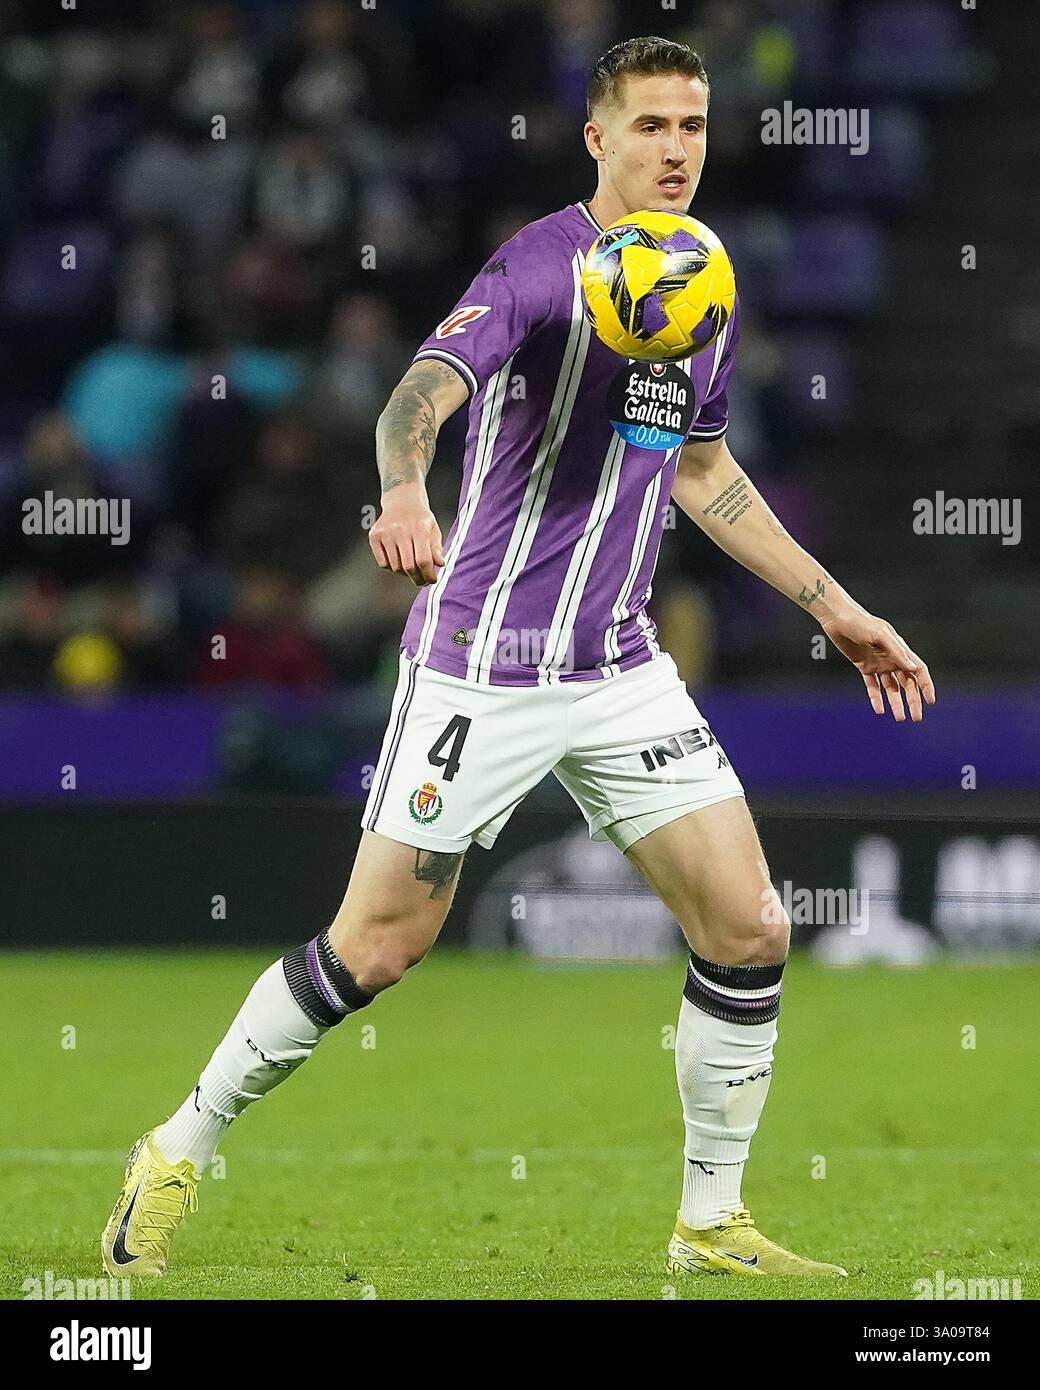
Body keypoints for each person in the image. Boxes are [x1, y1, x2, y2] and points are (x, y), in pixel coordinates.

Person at [103, 35, 934, 1282]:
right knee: (374, 948)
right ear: (595, 138)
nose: (674, 150)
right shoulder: (538, 271)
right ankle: (173, 1148)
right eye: (649, 126)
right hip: (480, 666)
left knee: (751, 924)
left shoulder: (702, 280)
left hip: (617, 665)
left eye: (692, 126)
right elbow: (418, 396)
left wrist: (833, 605)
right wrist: (400, 491)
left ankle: (708, 1222)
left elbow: (702, 471)